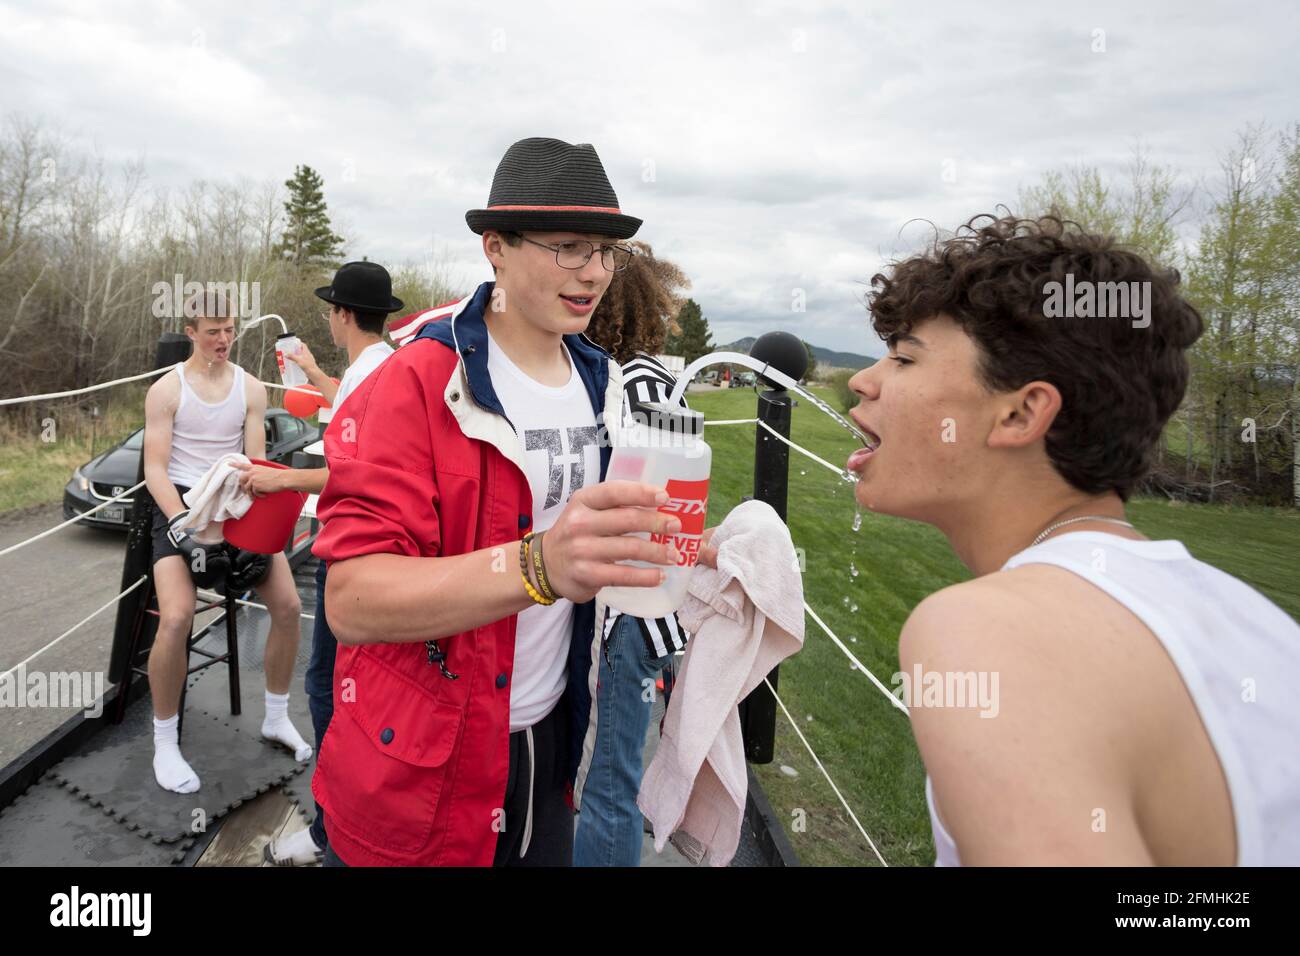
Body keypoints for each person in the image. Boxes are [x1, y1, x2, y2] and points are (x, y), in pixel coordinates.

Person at [842, 213, 1300, 865]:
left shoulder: (988, 629)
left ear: (1021, 413)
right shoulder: (1261, 624)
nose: (864, 380)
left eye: (904, 357)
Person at [309, 137, 679, 867]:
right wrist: (539, 564)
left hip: (550, 742)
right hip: (421, 758)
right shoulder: (418, 379)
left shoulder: (604, 385)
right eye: (569, 247)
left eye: (607, 251)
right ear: (495, 249)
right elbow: (352, 599)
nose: (595, 272)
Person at [242, 261, 405, 865]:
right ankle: (348, 822)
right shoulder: (383, 364)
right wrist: (313, 371)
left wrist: (278, 480)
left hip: (354, 548)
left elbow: (348, 472)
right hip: (381, 548)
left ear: (341, 315)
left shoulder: (372, 372)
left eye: (330, 311)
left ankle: (333, 831)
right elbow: (352, 401)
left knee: (330, 684)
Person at [141, 289, 310, 794]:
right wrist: (182, 525)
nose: (223, 340)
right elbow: (154, 469)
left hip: (232, 503)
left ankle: (276, 716)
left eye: (230, 330)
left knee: (287, 604)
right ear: (191, 333)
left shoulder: (251, 387)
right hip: (182, 508)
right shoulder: (165, 390)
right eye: (213, 331)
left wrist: (251, 517)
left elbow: (253, 464)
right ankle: (165, 741)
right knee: (175, 617)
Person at [572, 241, 692, 866]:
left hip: (630, 610)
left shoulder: (635, 381)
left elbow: (654, 498)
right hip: (647, 607)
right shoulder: (655, 376)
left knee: (607, 785)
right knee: (609, 776)